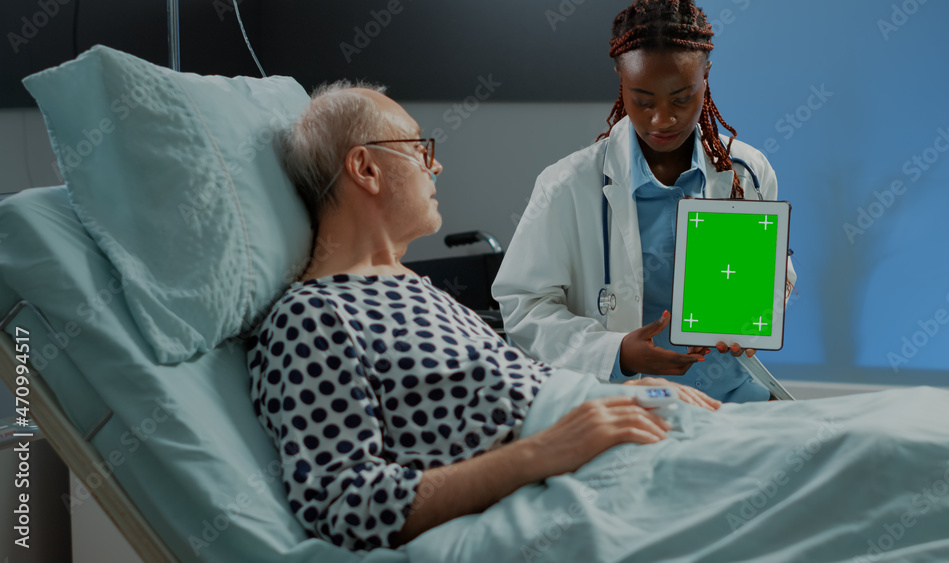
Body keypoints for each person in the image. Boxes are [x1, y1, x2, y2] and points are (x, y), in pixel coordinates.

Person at [246, 81, 721, 552]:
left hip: (606, 422)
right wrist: (549, 447)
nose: (436, 164)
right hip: (572, 464)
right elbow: (347, 504)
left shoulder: (416, 292)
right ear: (366, 168)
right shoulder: (312, 317)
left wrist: (612, 395)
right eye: (418, 147)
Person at [492, 0, 797, 403]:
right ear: (621, 81)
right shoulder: (566, 184)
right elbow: (524, 308)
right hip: (627, 401)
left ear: (706, 76)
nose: (662, 120)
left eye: (681, 98)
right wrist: (617, 353)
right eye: (644, 100)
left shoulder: (746, 170)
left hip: (734, 394)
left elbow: (776, 273)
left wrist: (754, 318)